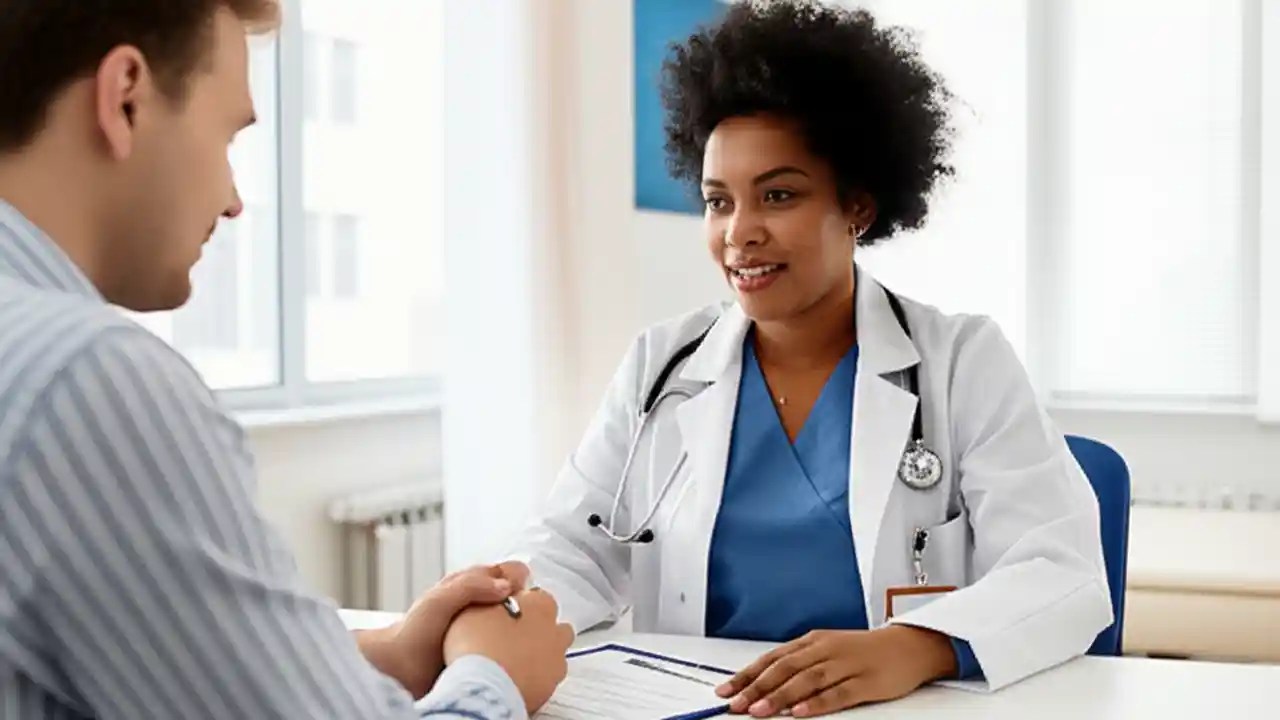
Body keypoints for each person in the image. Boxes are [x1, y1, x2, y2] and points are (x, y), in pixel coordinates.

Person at [512, 1, 1112, 717]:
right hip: (707, 706)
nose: (740, 233)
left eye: (779, 195)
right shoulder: (662, 365)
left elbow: (1063, 571)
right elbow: (572, 549)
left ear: (856, 204)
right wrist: (499, 612)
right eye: (717, 201)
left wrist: (915, 645)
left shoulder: (961, 362)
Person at [0, 1, 570, 718]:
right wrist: (497, 676)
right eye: (227, 138)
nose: (233, 200)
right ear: (126, 98)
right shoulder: (85, 380)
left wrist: (384, 656)